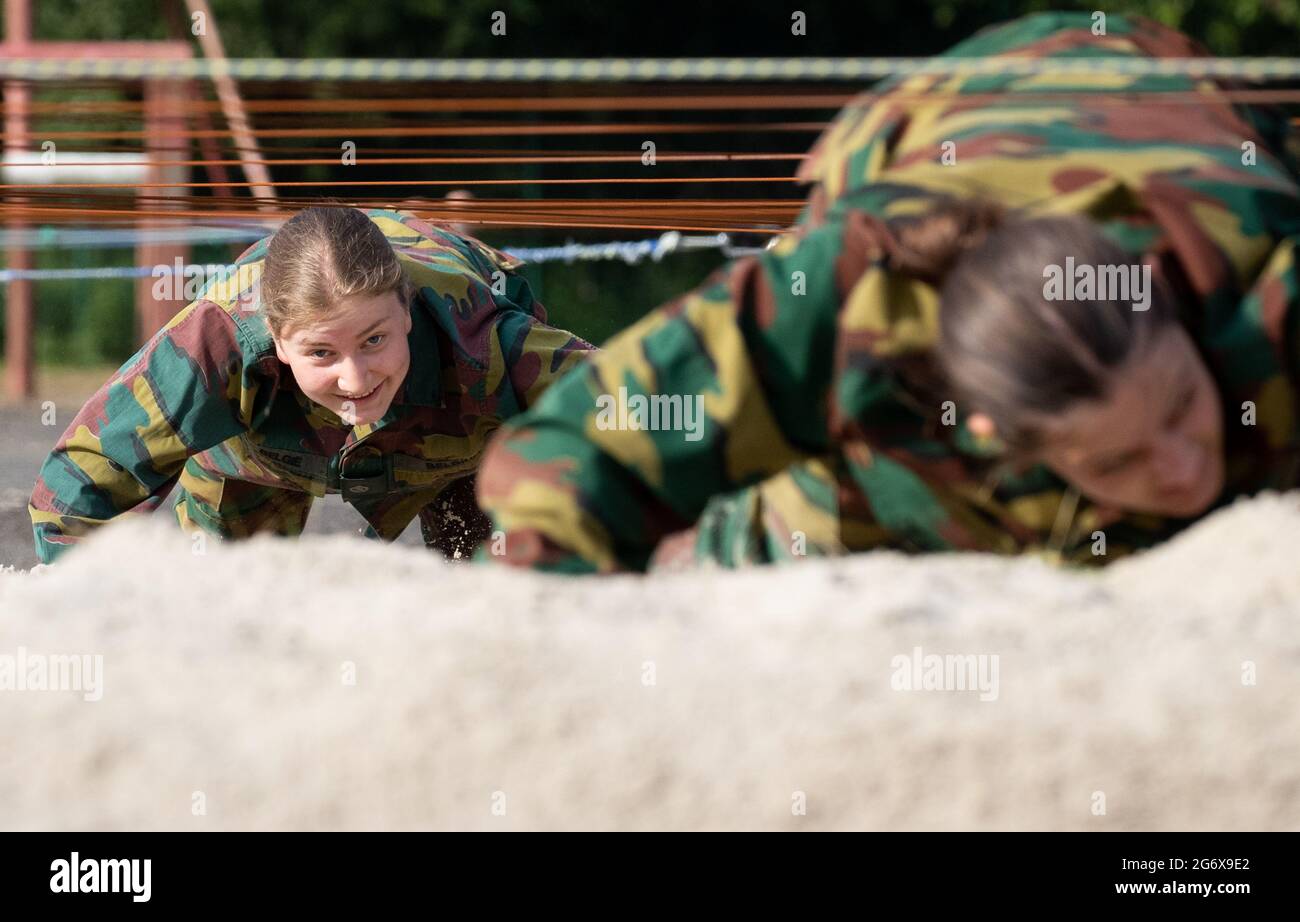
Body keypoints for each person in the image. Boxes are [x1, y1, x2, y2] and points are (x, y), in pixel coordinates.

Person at [475, 12, 1300, 573]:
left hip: (1153, 87)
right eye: (1120, 457)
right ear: (988, 430)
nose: (1187, 467)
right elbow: (572, 460)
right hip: (919, 126)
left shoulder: (1270, 280)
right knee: (797, 534)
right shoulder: (849, 305)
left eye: (1182, 406)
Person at [29, 206, 593, 563]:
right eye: (322, 352)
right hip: (255, 461)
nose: (355, 378)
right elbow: (76, 488)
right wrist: (99, 625)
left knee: (506, 604)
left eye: (374, 340)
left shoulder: (492, 344)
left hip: (460, 447)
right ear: (276, 338)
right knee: (211, 611)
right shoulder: (212, 347)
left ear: (407, 312)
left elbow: (651, 414)